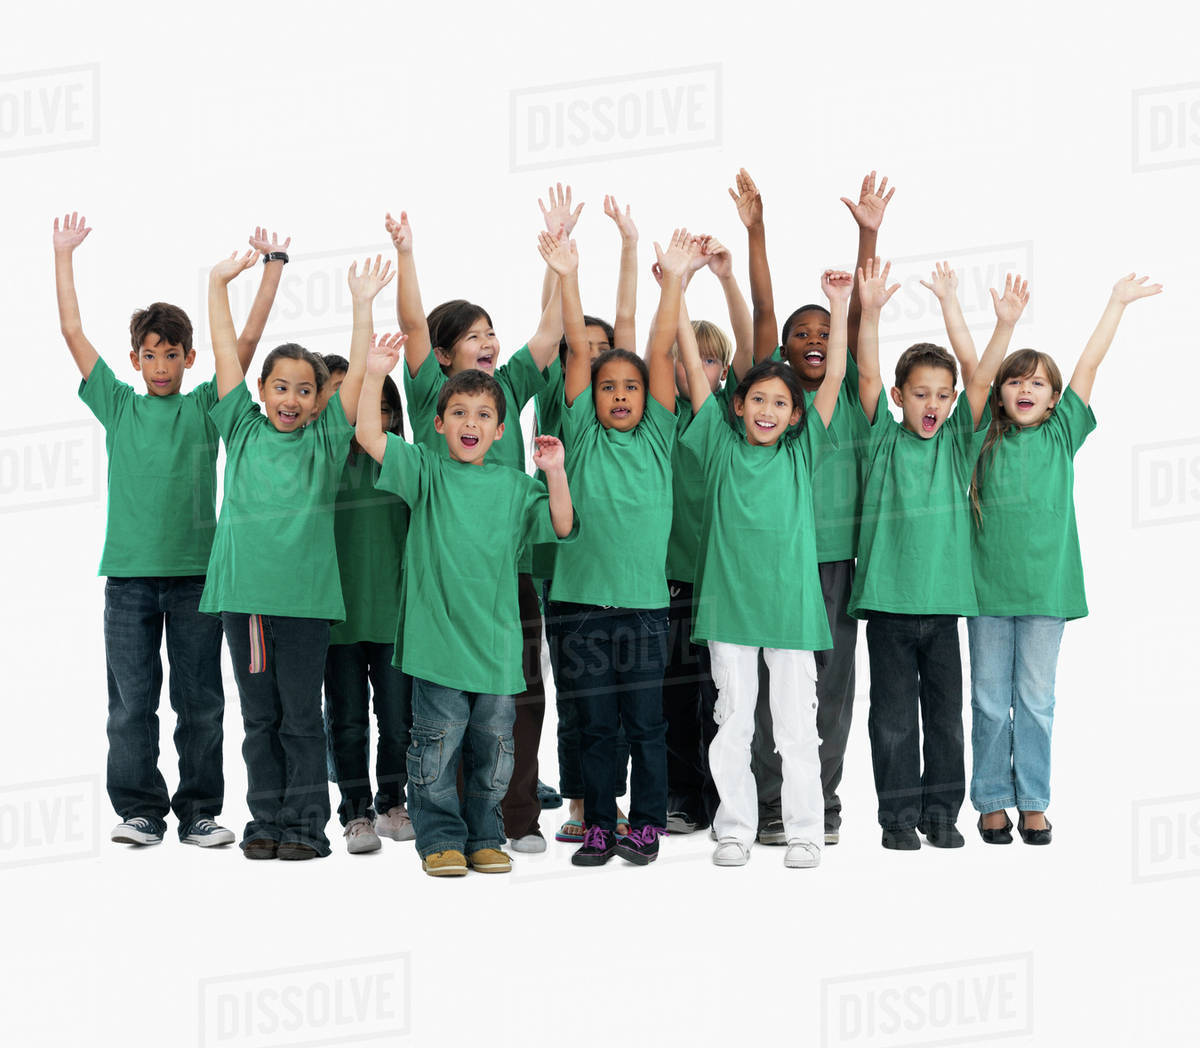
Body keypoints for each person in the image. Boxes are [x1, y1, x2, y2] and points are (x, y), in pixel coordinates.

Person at [56, 211, 287, 848]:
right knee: (132, 705)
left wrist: (271, 269)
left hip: (195, 580)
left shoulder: (204, 409)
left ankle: (199, 812)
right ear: (134, 360)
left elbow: (246, 343)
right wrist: (63, 254)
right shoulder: (119, 405)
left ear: (189, 357)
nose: (161, 364)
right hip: (128, 581)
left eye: (172, 354)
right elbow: (72, 329)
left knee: (201, 702)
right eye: (149, 355)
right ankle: (138, 810)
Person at [355, 335, 576, 877]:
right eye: (458, 412)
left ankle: (485, 834)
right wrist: (373, 373)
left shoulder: (514, 485)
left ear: (501, 431)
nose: (469, 422)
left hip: (496, 651)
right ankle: (440, 839)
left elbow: (564, 525)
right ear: (439, 424)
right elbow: (366, 433)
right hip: (437, 648)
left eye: (482, 414)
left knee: (495, 754)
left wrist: (554, 471)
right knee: (435, 750)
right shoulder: (425, 471)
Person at [200, 250, 389, 859]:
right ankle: (265, 823)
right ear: (260, 391)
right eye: (280, 386)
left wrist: (362, 306)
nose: (290, 398)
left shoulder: (327, 441)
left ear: (317, 401)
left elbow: (356, 375)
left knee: (302, 720)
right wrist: (218, 285)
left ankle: (305, 826)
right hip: (246, 604)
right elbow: (227, 350)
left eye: (304, 391)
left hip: (305, 608)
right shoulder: (244, 429)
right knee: (260, 722)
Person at [387, 207, 564, 854]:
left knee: (510, 703)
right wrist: (406, 251)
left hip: (507, 573)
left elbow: (547, 337)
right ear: (443, 357)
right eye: (474, 336)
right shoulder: (438, 392)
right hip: (444, 577)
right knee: (444, 713)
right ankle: (444, 824)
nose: (490, 343)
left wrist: (558, 261)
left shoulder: (503, 391)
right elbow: (411, 323)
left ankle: (509, 819)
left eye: (493, 333)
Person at [965, 272, 1161, 845]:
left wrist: (1116, 302)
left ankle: (1034, 801)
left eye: (1039, 384)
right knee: (986, 700)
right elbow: (974, 370)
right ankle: (992, 801)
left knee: (1035, 701)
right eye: (1016, 382)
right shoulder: (981, 435)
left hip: (1045, 597)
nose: (1026, 389)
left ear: (1054, 400)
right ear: (1001, 393)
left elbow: (1090, 365)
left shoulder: (1059, 436)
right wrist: (981, 315)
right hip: (986, 595)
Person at [732, 168, 892, 846]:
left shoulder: (854, 396)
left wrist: (869, 234)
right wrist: (756, 230)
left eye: (823, 330)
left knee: (829, 690)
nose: (812, 337)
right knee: (770, 691)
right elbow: (765, 310)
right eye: (800, 333)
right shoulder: (776, 405)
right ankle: (771, 802)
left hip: (832, 566)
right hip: (772, 561)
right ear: (783, 354)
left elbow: (859, 318)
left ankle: (820, 801)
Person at [851, 258, 1027, 850]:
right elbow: (868, 375)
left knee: (945, 720)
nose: (933, 403)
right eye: (920, 394)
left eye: (942, 396)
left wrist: (993, 320)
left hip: (944, 608)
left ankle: (940, 814)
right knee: (894, 720)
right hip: (889, 608)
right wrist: (870, 312)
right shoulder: (882, 436)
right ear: (901, 397)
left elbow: (981, 381)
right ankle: (898, 819)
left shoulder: (957, 444)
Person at [680, 268, 851, 868]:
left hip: (792, 612)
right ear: (738, 406)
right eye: (758, 399)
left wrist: (840, 303)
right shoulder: (721, 445)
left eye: (781, 403)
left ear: (796, 417)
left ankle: (805, 830)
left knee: (796, 729)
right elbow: (692, 374)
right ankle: (735, 830)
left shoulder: (803, 451)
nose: (769, 410)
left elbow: (833, 377)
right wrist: (676, 289)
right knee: (732, 726)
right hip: (731, 609)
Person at [546, 228, 692, 868]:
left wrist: (677, 282)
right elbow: (580, 346)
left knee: (646, 725)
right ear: (590, 396)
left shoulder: (660, 435)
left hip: (642, 608)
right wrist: (569, 273)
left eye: (631, 387)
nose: (622, 394)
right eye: (608, 387)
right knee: (596, 727)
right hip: (580, 604)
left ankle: (648, 825)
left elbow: (658, 350)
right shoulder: (579, 435)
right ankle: (600, 825)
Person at [661, 234, 754, 835]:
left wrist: (722, 277)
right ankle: (683, 798)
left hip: (723, 576)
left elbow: (753, 340)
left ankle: (728, 801)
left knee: (723, 697)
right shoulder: (654, 416)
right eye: (686, 355)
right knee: (675, 693)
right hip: (669, 574)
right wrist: (675, 285)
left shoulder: (736, 421)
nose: (696, 365)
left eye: (710, 359)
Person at [324, 369, 414, 853]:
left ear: (393, 416)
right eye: (357, 406)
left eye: (379, 407)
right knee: (348, 721)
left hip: (394, 617)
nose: (368, 417)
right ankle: (355, 813)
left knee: (398, 721)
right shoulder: (325, 461)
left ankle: (392, 803)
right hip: (337, 617)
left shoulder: (404, 463)